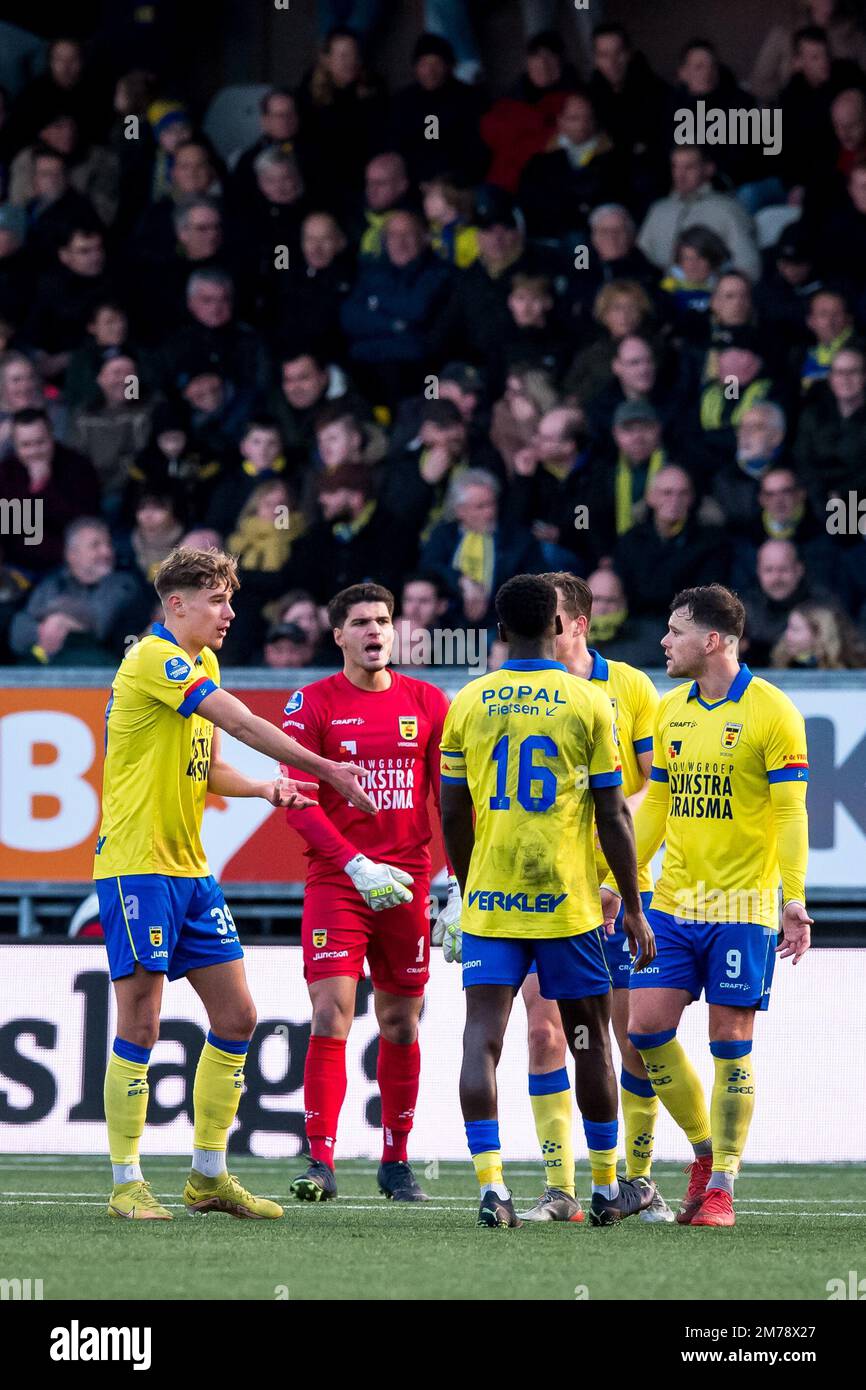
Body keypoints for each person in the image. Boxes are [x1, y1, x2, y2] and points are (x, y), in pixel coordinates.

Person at [93, 545, 375, 1220]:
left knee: (238, 1015)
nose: (230, 612)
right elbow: (243, 723)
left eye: (230, 598)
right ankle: (126, 1181)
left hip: (190, 869)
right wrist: (328, 768)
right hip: (138, 865)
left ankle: (208, 1176)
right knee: (142, 1018)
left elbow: (210, 766)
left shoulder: (202, 662)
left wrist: (265, 788)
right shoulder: (154, 659)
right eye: (217, 600)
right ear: (176, 605)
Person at [437, 572, 656, 1228]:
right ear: (559, 627)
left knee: (483, 1037)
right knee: (590, 1038)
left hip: (493, 899)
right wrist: (636, 903)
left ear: (499, 631)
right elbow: (614, 814)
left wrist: (467, 880)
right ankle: (606, 1186)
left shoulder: (468, 702)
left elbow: (451, 809)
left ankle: (491, 1186)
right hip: (566, 903)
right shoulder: (589, 702)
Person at [618, 584, 811, 1226]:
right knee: (645, 1030)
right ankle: (705, 1150)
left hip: (745, 904)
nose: (664, 642)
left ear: (713, 640)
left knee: (730, 1040)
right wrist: (619, 876)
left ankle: (723, 1184)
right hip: (674, 902)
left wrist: (793, 898)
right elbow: (663, 808)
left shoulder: (773, 712)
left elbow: (789, 812)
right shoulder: (670, 711)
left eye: (675, 632)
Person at [281, 581, 451, 1202]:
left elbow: (450, 802)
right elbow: (299, 801)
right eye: (360, 622)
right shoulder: (311, 704)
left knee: (401, 1023)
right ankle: (320, 1164)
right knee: (332, 1012)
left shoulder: (429, 702)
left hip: (406, 882)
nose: (375, 631)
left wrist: (455, 880)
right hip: (338, 881)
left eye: (383, 620)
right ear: (338, 636)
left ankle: (395, 1162)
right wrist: (353, 865)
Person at [513, 572, 674, 1224]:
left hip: (614, 888)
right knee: (546, 1031)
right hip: (539, 888)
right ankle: (561, 1187)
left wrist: (614, 871)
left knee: (628, 1037)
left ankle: (635, 1180)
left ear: (576, 624)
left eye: (548, 618)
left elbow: (648, 788)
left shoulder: (630, 687)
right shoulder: (515, 692)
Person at [771, 600, 866, 667]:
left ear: (820, 634)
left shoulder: (853, 670)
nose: (787, 635)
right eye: (788, 627)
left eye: (795, 629)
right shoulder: (782, 667)